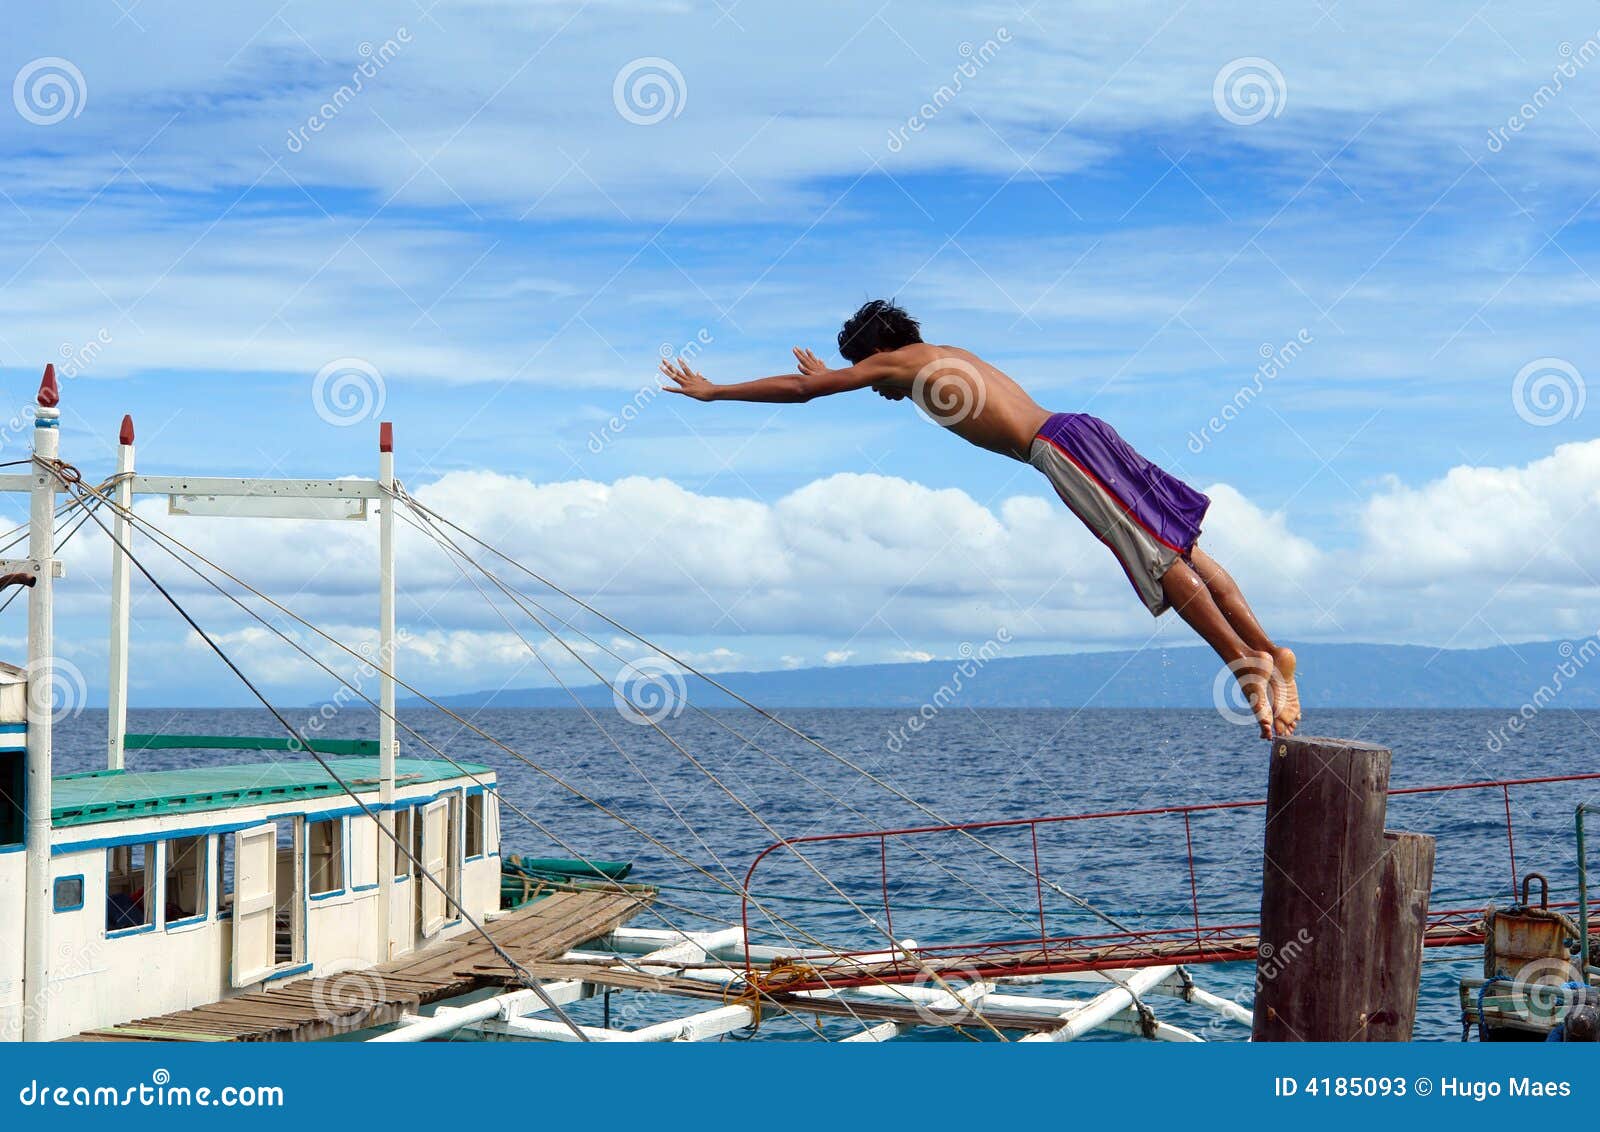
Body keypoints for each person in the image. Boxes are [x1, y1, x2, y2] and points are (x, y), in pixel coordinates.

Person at [660, 299, 1299, 738]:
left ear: (878, 349)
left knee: (1154, 559)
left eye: (866, 370)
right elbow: (868, 380)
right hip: (1081, 430)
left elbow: (802, 392)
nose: (872, 385)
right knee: (1182, 549)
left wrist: (715, 391)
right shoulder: (940, 353)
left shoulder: (897, 361)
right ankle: (1272, 652)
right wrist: (840, 374)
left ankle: (1245, 665)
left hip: (1060, 451)